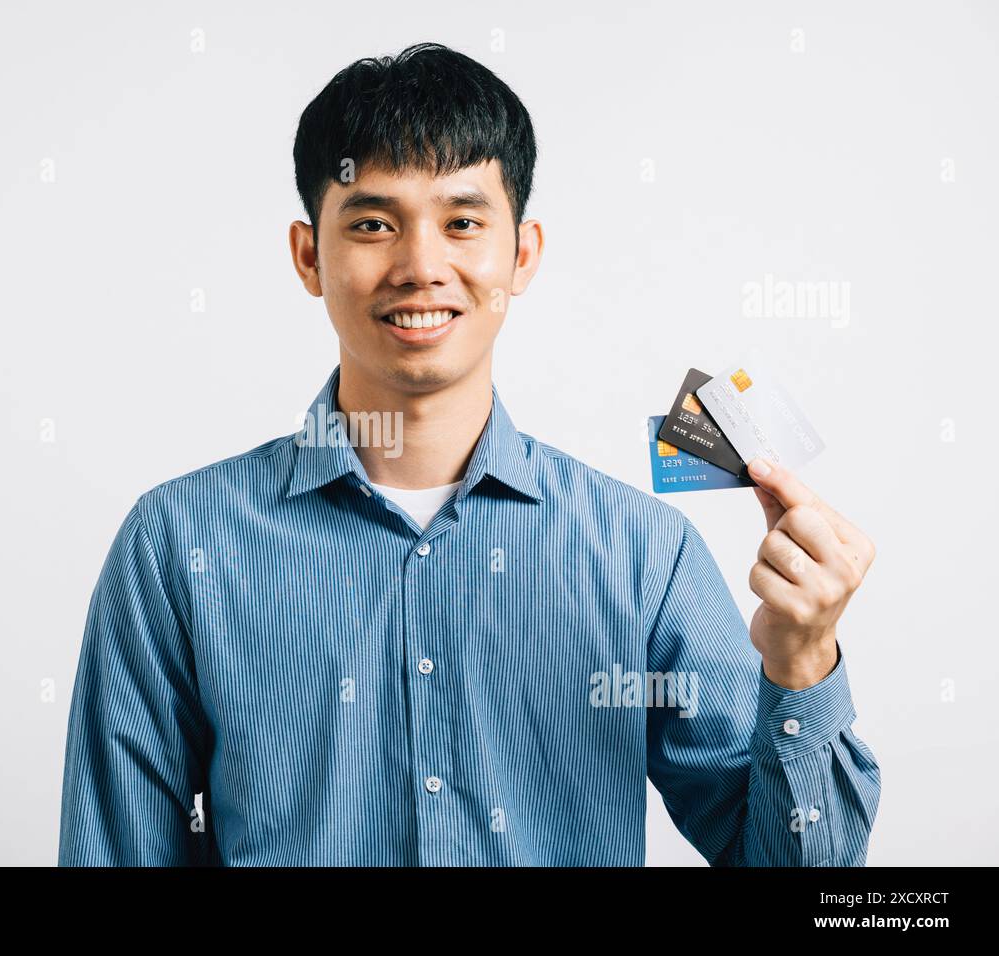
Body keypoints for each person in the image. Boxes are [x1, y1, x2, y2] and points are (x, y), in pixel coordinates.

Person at [58, 42, 879, 866]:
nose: (421, 267)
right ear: (310, 256)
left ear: (522, 254)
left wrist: (802, 660)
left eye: (462, 222)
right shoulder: (175, 545)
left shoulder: (643, 556)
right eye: (374, 223)